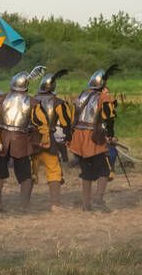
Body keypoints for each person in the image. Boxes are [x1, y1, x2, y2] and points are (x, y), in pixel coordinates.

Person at [0, 68, 50, 213]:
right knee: (25, 173)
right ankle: (23, 206)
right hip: (21, 140)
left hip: (3, 138)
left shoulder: (1, 99)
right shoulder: (32, 102)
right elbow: (42, 122)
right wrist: (45, 137)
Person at [69, 66, 118, 212]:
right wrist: (110, 134)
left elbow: (74, 115)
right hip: (93, 137)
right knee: (104, 170)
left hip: (79, 136)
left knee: (87, 171)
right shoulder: (104, 98)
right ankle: (98, 200)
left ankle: (86, 205)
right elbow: (109, 117)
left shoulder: (82, 94)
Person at [33, 69, 71, 209]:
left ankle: (24, 204)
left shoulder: (31, 100)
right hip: (49, 140)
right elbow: (66, 123)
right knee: (54, 170)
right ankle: (55, 204)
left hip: (33, 140)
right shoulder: (58, 103)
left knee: (31, 171)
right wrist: (69, 138)